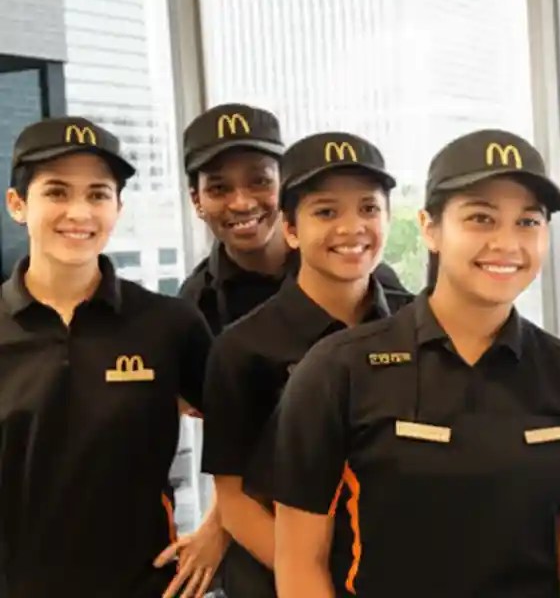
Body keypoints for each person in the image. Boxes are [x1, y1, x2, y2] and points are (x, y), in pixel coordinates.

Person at [272, 129, 560, 597]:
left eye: (528, 222)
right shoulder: (340, 371)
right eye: (481, 218)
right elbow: (299, 560)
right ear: (429, 227)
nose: (507, 243)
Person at [0, 117, 226, 597]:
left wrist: (218, 528)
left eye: (98, 194)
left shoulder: (169, 323)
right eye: (57, 192)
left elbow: (249, 435)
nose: (79, 212)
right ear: (17, 204)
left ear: (118, 207)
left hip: (146, 586)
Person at [201, 132, 414, 597]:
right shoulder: (243, 347)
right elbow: (235, 502)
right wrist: (311, 577)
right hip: (279, 578)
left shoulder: (417, 323)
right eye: (326, 212)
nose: (351, 227)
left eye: (369, 208)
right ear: (291, 229)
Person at [179, 103, 409, 335]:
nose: (243, 203)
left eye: (260, 181)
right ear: (196, 200)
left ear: (286, 184)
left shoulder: (364, 275)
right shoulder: (195, 305)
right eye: (219, 188)